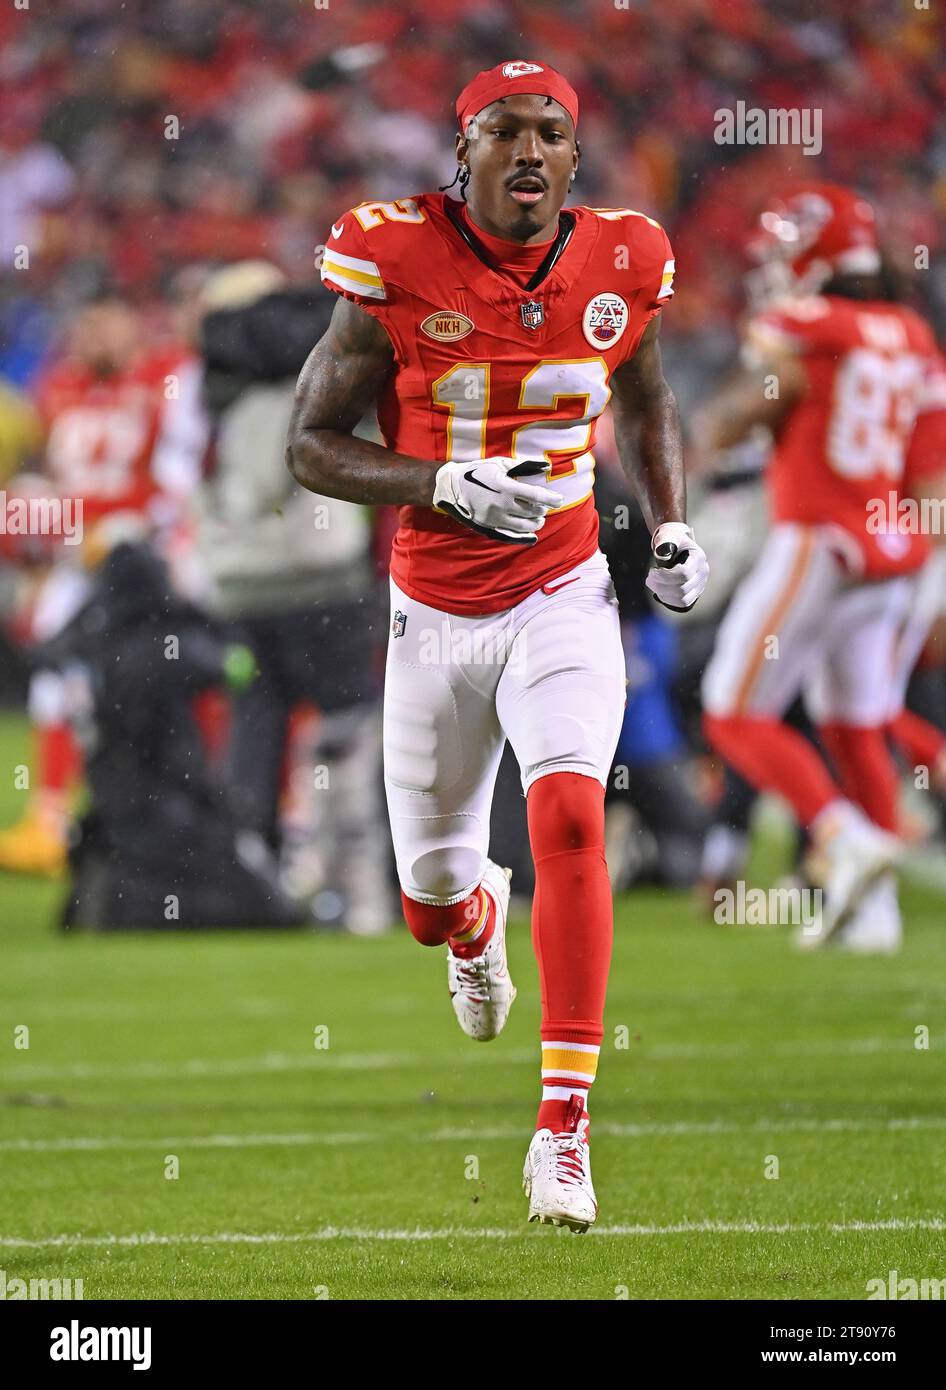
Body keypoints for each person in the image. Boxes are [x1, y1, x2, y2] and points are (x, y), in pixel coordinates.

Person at [287, 60, 709, 1230]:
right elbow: (310, 443)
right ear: (459, 151)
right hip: (432, 614)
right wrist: (440, 481)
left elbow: (645, 396)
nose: (529, 151)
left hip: (564, 592)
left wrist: (670, 521)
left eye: (551, 133)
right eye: (503, 132)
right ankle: (471, 921)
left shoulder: (626, 256)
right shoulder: (393, 255)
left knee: (571, 816)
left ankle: (562, 1133)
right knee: (428, 895)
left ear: (575, 157)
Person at [699, 183, 946, 951]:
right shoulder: (910, 333)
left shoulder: (800, 325)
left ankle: (843, 838)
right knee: (856, 726)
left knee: (732, 709)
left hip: (818, 539)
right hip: (895, 549)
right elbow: (931, 475)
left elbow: (751, 408)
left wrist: (710, 430)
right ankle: (875, 919)